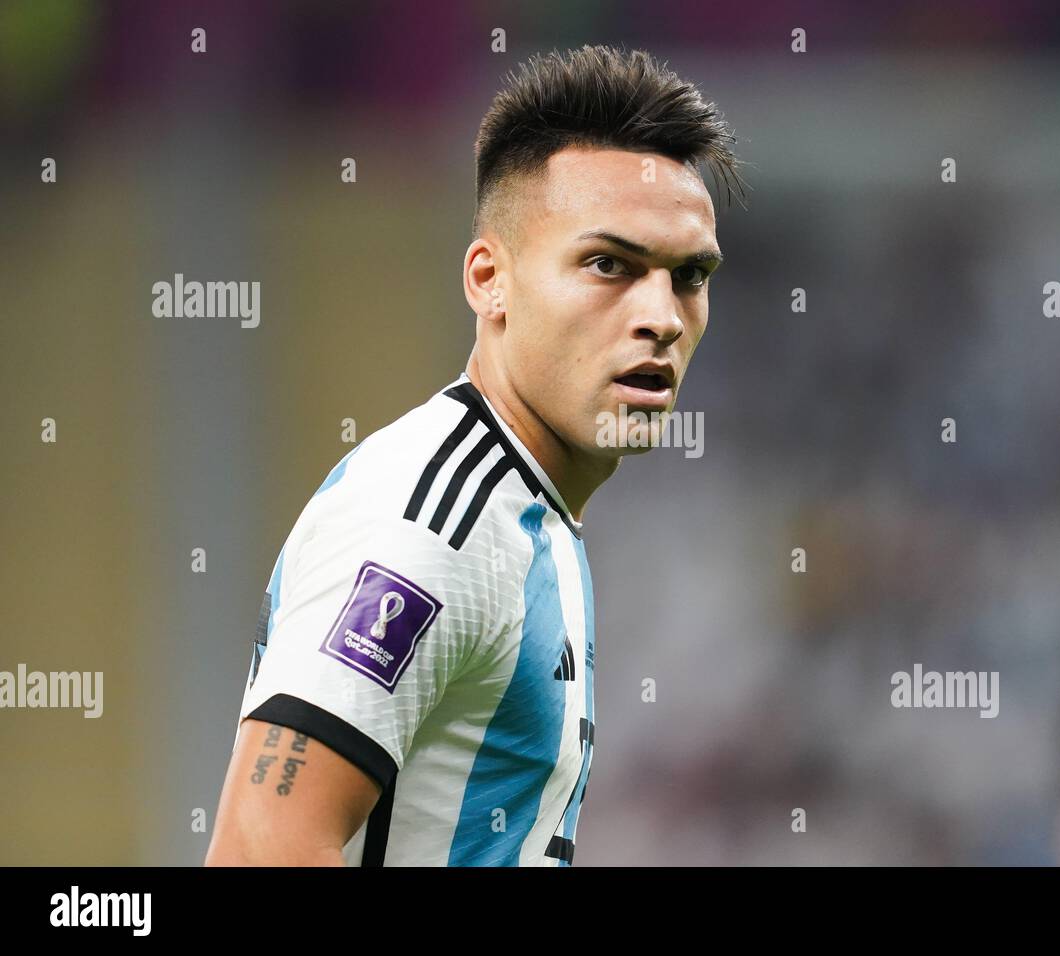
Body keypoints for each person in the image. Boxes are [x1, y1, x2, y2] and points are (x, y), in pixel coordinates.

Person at [205, 43, 747, 866]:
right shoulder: (432, 522)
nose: (662, 316)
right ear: (490, 278)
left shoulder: (525, 512)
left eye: (688, 276)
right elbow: (259, 849)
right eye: (609, 265)